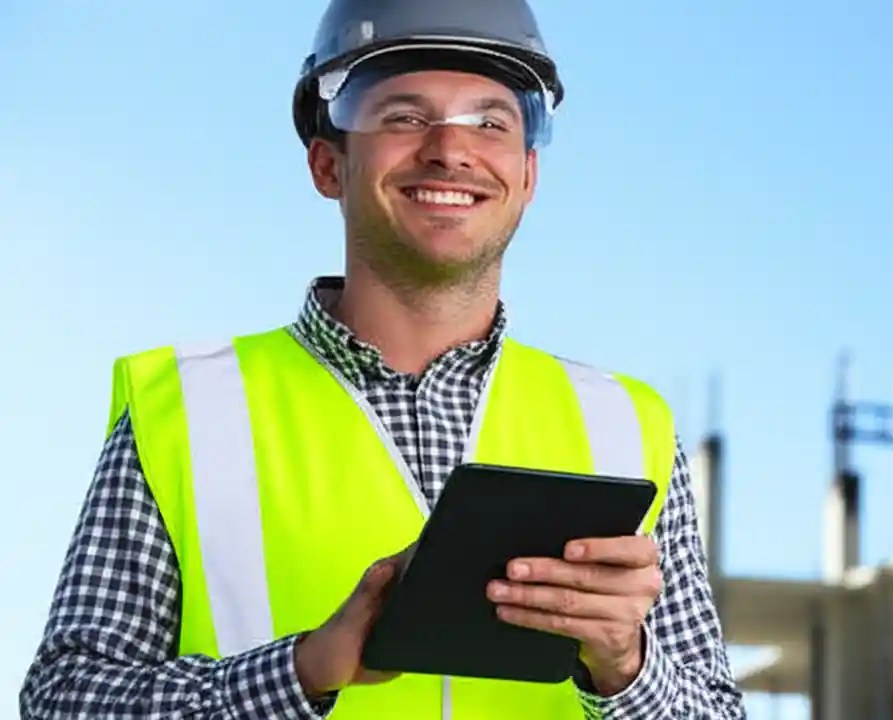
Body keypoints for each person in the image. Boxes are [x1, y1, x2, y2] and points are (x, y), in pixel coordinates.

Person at [19, 0, 746, 717]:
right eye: (404, 116)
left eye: (489, 121)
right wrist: (301, 672)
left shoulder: (625, 427)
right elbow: (65, 703)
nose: (449, 150)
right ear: (327, 163)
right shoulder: (185, 412)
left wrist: (624, 667)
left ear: (528, 176)